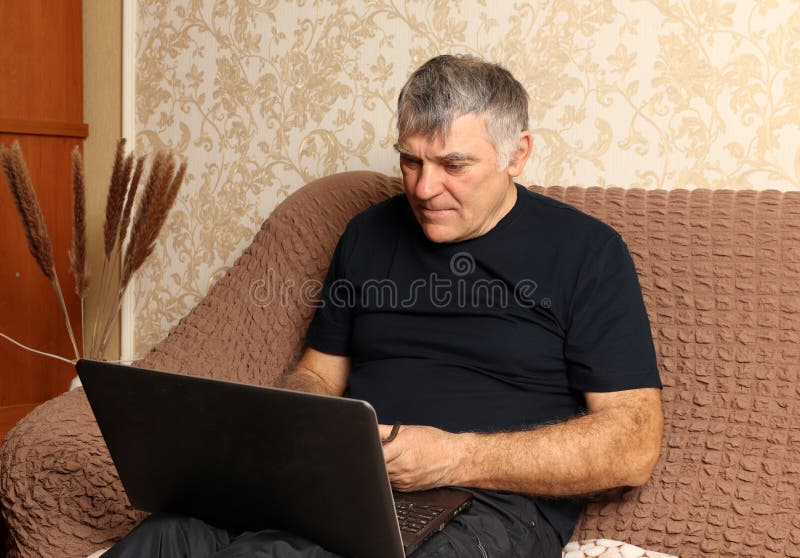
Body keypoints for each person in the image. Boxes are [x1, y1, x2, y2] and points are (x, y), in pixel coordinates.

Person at [104, 54, 663, 558]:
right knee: (163, 536)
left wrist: (454, 457)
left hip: (489, 507)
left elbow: (634, 441)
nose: (423, 188)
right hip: (346, 483)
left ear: (517, 154)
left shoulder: (587, 251)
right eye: (411, 161)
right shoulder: (367, 235)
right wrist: (299, 425)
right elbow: (319, 372)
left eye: (453, 165)